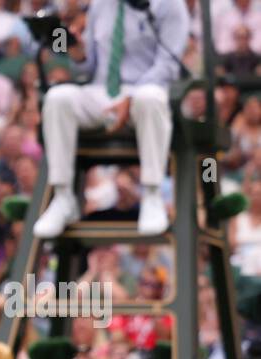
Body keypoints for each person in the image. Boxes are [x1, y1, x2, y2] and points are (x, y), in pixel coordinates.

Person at [33, 0, 189, 238]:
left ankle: (152, 195)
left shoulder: (170, 5)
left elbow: (168, 67)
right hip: (102, 92)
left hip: (145, 90)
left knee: (151, 99)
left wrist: (132, 96)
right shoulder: (100, 5)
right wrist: (78, 53)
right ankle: (64, 198)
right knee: (57, 98)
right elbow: (90, 68)